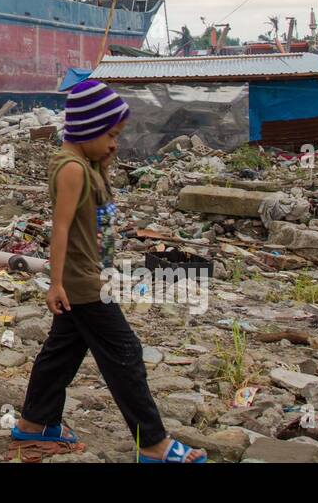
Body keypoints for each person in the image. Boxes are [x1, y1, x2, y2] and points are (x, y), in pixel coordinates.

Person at [11, 79, 207, 463]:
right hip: (82, 283)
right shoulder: (71, 169)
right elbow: (61, 227)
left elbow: (96, 210)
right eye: (110, 135)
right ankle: (152, 442)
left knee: (62, 352)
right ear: (86, 128)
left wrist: (103, 160)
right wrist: (55, 283)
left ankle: (35, 423)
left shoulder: (85, 164)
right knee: (126, 353)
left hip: (89, 278)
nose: (115, 143)